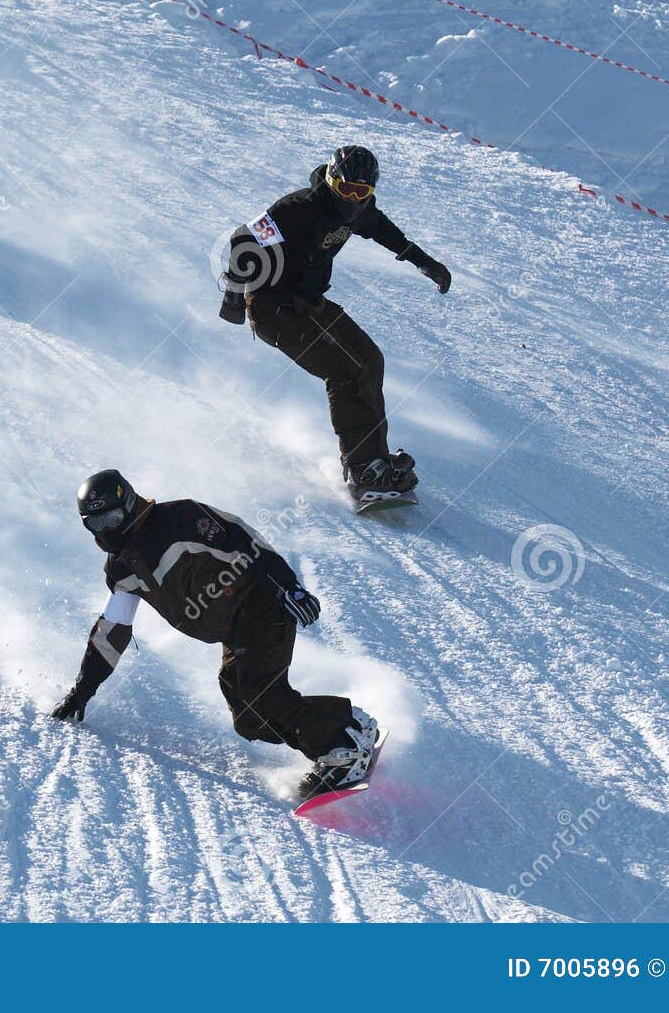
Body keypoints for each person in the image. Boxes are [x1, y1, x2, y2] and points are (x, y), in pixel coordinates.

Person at [51, 469, 379, 797]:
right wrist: (84, 688)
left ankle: (340, 748)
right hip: (234, 630)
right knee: (248, 718)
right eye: (96, 524)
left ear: (130, 503)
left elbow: (244, 540)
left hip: (262, 605)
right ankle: (348, 724)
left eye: (112, 518)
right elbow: (112, 630)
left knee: (259, 693)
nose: (107, 530)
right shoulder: (121, 569)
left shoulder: (179, 520)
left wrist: (287, 587)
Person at [220, 145, 451, 508]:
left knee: (370, 360)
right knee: (344, 372)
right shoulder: (297, 209)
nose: (352, 199)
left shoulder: (359, 212)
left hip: (310, 303)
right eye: (345, 190)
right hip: (272, 310)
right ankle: (362, 470)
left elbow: (384, 231)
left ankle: (377, 460)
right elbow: (241, 238)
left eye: (361, 193)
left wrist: (425, 262)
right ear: (330, 181)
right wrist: (233, 297)